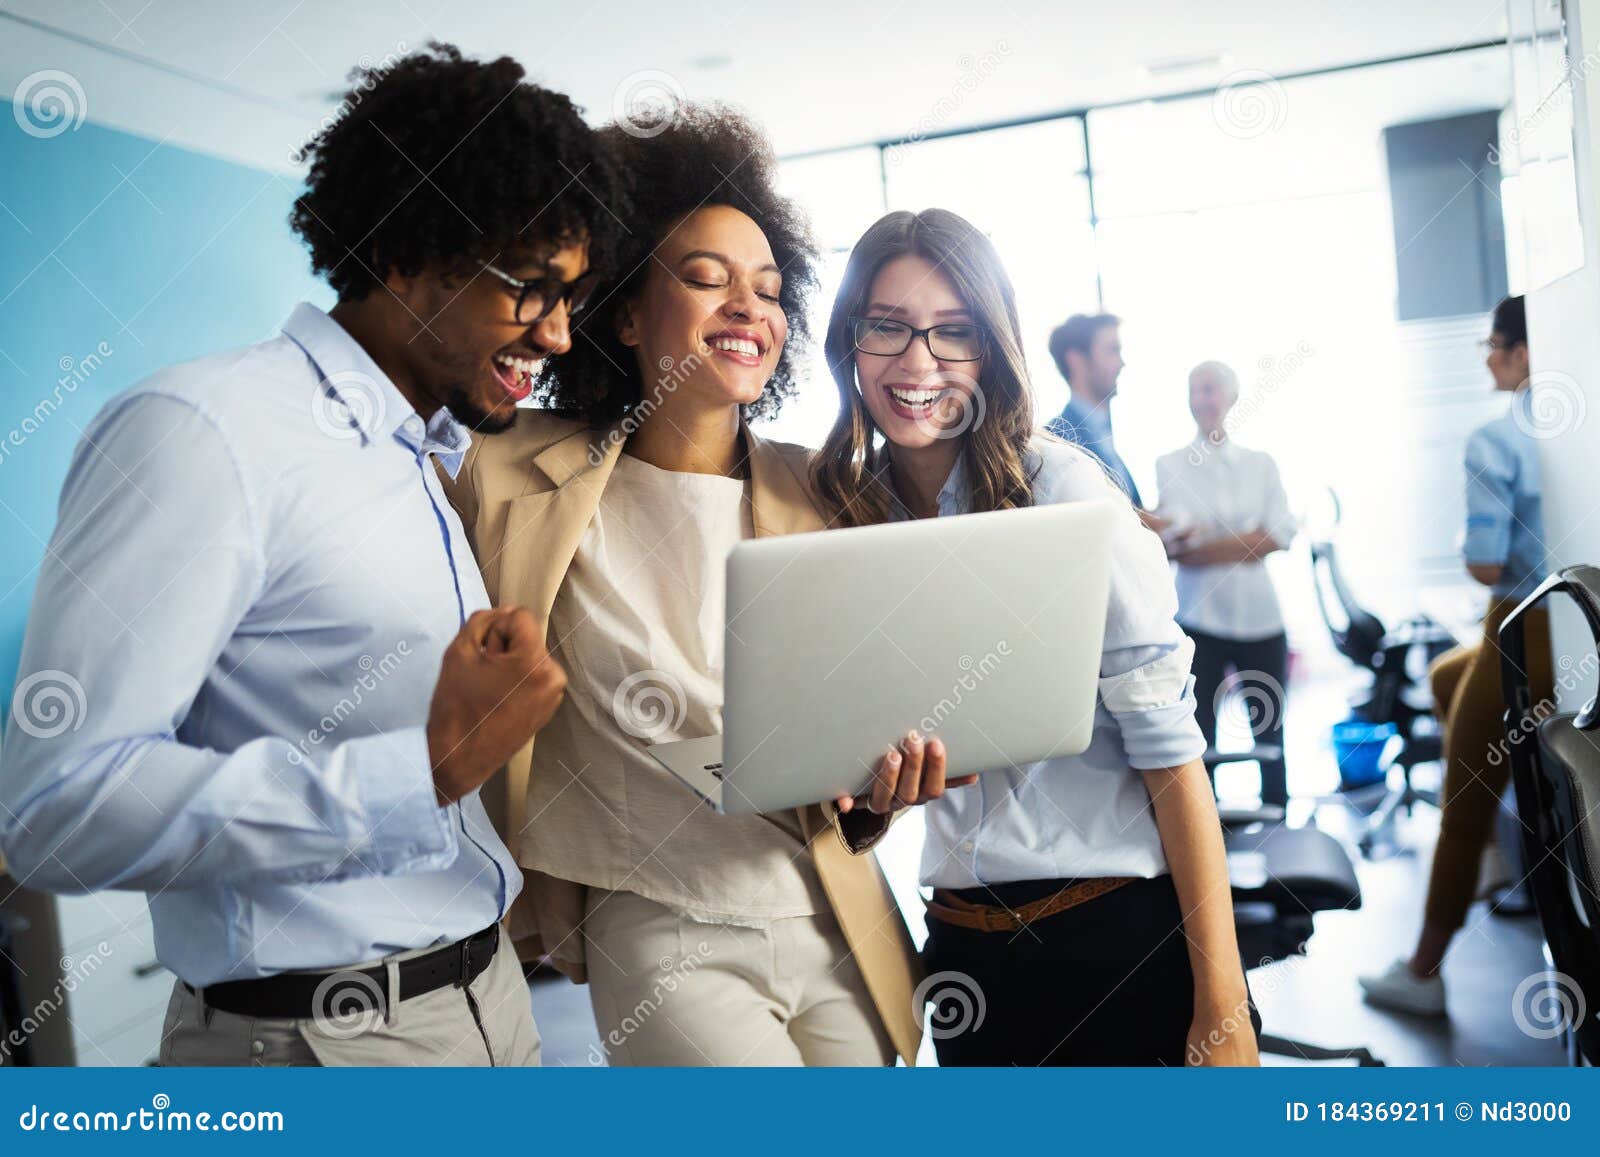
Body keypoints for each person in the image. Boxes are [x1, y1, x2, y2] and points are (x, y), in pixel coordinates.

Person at [0, 44, 619, 1066]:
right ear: (408, 253)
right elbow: (54, 811)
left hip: (492, 1007)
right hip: (321, 1044)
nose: (556, 334)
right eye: (529, 287)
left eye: (573, 296)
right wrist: (420, 767)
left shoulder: (425, 453)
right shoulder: (204, 430)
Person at [445, 106, 953, 1067]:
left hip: (829, 913)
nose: (748, 307)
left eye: (769, 288)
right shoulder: (510, 470)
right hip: (661, 921)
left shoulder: (830, 491)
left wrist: (882, 792)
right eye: (708, 277)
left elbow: (860, 726)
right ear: (625, 310)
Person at [811, 208, 1259, 1067]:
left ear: (992, 349)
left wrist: (1224, 1007)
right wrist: (874, 798)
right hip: (962, 950)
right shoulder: (850, 514)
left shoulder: (1064, 491)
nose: (917, 363)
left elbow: (1173, 757)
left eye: (953, 332)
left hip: (1111, 936)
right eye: (887, 327)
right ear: (850, 343)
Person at [1359, 295, 1554, 1017]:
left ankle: (1423, 973)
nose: (1487, 357)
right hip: (1563, 621)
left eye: (1493, 344)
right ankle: (1496, 854)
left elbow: (1484, 564)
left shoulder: (1495, 440)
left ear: (1523, 353)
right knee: (1445, 674)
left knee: (1461, 798)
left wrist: (1463, 541)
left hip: (1524, 628)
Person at [1155, 361, 1297, 808]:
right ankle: (1208, 831)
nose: (1202, 400)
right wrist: (1245, 541)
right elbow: (1177, 547)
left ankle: (1278, 823)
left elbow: (1278, 536)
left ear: (1232, 397)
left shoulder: (1261, 464)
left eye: (1211, 389)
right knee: (1199, 737)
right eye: (1194, 390)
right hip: (1199, 620)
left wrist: (1209, 545)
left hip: (1260, 620)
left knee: (1270, 733)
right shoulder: (1169, 464)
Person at [1045, 313, 1143, 505]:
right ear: (1076, 360)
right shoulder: (1056, 441)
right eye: (1112, 351)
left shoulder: (1104, 432)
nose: (1121, 363)